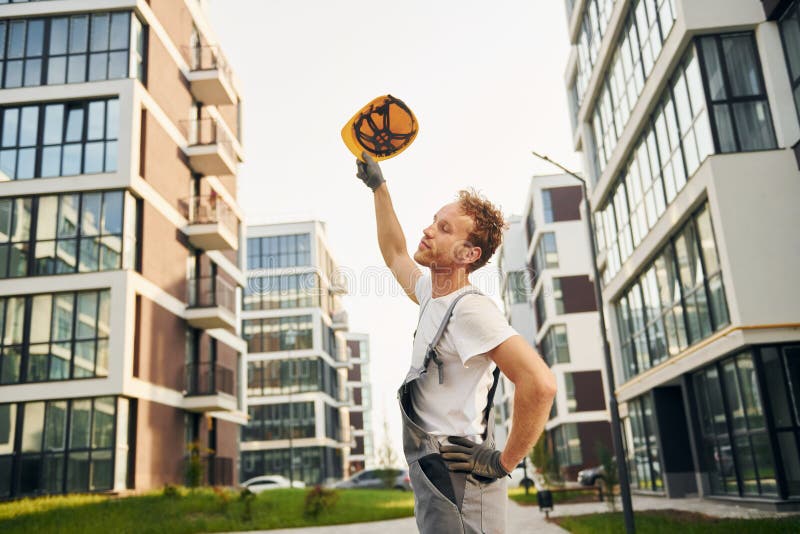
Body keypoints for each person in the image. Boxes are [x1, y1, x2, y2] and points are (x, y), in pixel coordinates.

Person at [355, 152, 557, 533]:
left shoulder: (471, 312)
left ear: (468, 254)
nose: (429, 230)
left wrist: (503, 463)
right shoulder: (434, 295)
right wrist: (379, 187)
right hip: (436, 471)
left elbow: (541, 383)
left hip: (459, 481)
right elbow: (396, 252)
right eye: (434, 221)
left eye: (444, 229)